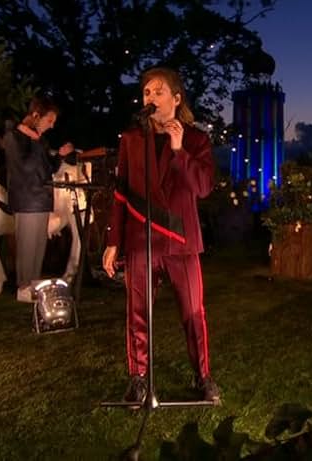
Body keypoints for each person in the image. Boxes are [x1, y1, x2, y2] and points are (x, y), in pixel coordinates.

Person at [102, 67, 219, 406]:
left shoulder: (197, 140)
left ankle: (203, 376)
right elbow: (121, 193)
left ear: (176, 98)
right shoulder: (131, 140)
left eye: (158, 91)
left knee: (193, 313)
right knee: (137, 311)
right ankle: (138, 379)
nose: (150, 97)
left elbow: (203, 187)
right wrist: (113, 241)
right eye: (147, 92)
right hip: (140, 241)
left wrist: (180, 150)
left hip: (182, 242)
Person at [3, 96, 74, 303]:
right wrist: (34, 140)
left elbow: (47, 169)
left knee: (38, 246)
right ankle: (23, 285)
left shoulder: (38, 140)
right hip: (26, 199)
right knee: (27, 244)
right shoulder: (14, 137)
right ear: (36, 116)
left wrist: (59, 156)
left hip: (41, 198)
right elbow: (24, 168)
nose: (51, 126)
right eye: (49, 121)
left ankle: (32, 284)